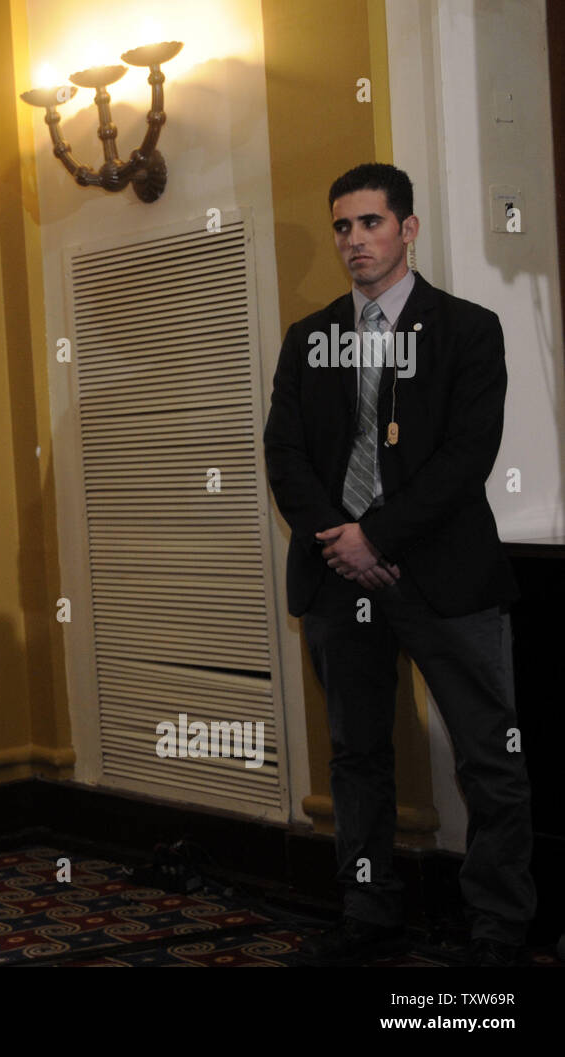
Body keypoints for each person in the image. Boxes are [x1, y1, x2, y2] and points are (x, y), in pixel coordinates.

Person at [263, 163, 533, 967]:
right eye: (342, 226)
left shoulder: (468, 330)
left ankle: (499, 929)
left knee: (489, 756)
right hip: (337, 580)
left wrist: (376, 538)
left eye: (371, 223)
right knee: (356, 755)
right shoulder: (308, 339)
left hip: (446, 578)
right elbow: (285, 456)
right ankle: (369, 910)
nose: (355, 240)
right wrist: (342, 540)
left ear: (407, 228)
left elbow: (465, 458)